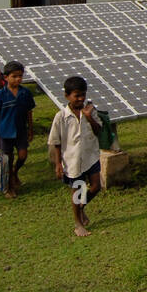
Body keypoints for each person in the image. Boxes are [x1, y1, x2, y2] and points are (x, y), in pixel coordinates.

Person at [47, 76, 103, 236]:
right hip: (72, 160)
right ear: (67, 96)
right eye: (76, 95)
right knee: (77, 190)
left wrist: (89, 117)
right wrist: (58, 163)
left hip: (90, 155)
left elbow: (99, 131)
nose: (80, 99)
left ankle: (80, 208)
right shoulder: (61, 117)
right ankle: (78, 223)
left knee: (95, 187)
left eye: (83, 95)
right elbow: (56, 142)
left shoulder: (91, 112)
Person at [0, 61, 35, 199]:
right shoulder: (0, 95)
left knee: (23, 155)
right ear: (6, 77)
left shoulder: (25, 93)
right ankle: (8, 187)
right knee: (7, 160)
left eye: (20, 76)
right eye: (14, 76)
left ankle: (15, 172)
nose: (18, 79)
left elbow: (29, 111)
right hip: (5, 132)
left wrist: (30, 129)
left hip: (20, 131)